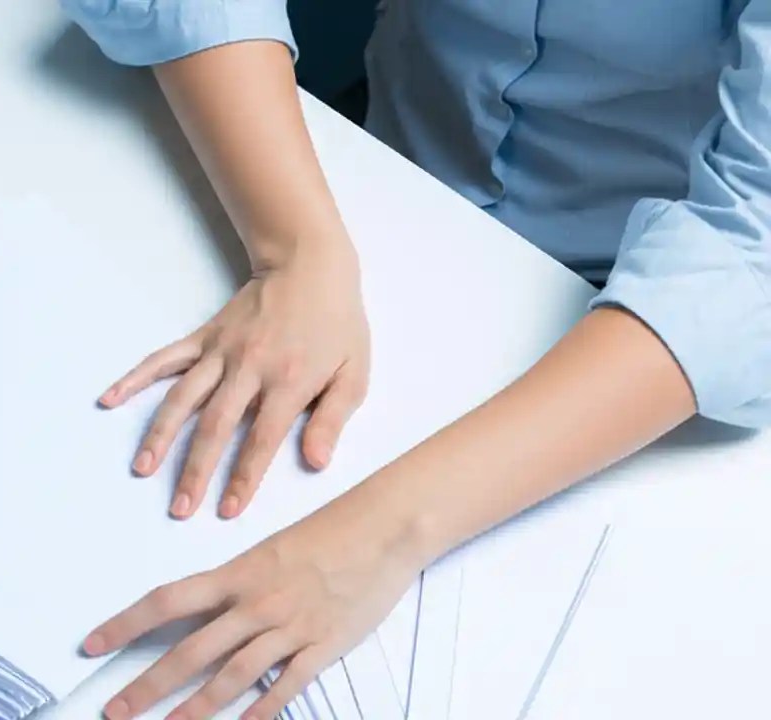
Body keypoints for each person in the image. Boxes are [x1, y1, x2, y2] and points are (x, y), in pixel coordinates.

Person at [59, 1, 771, 719]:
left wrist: (379, 537)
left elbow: (752, 252)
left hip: (635, 307)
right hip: (384, 171)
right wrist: (296, 253)